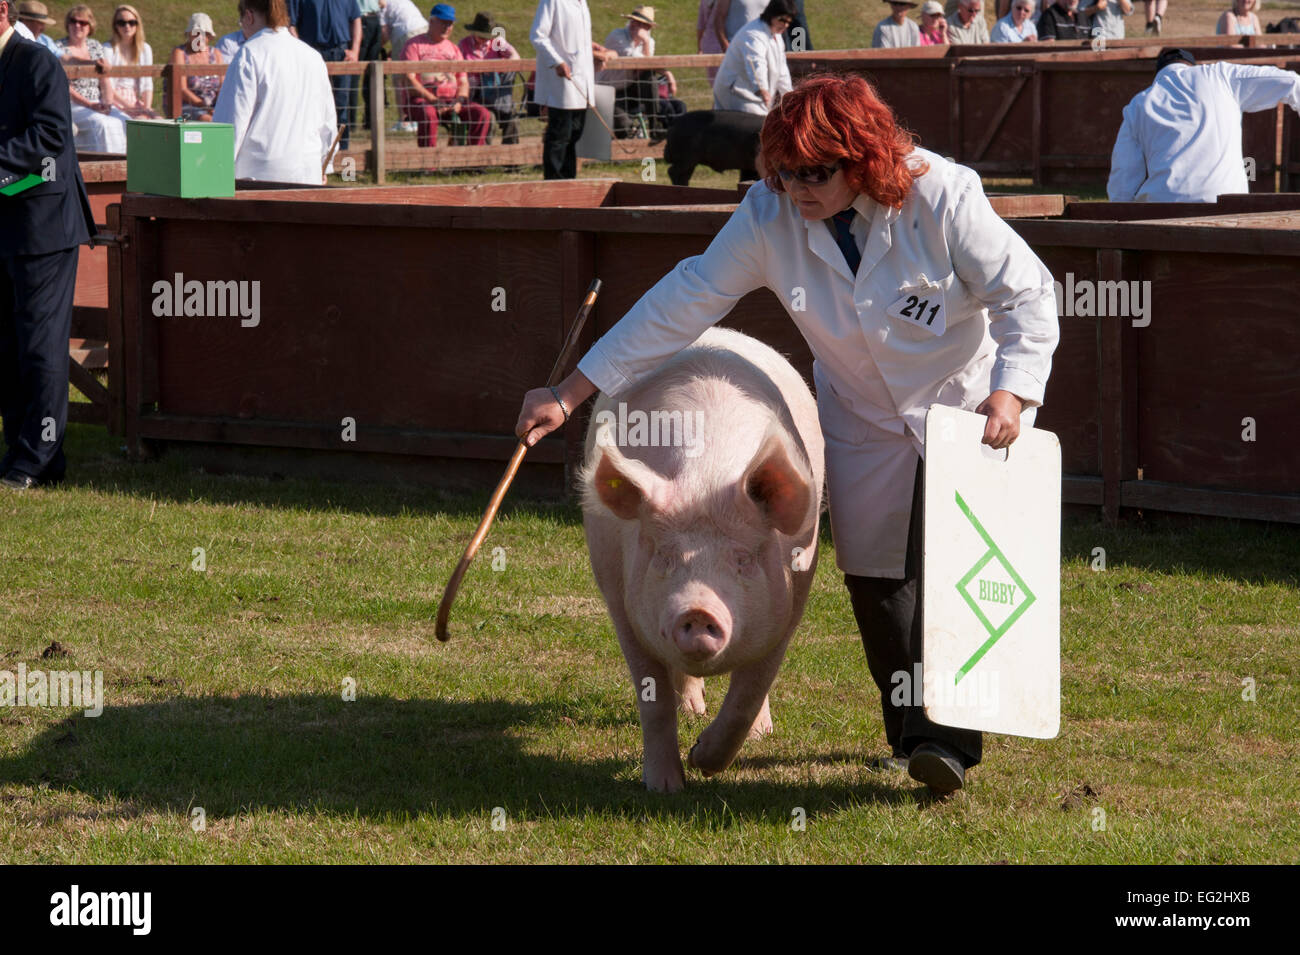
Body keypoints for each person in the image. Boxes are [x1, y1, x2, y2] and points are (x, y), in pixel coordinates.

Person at [514, 73, 1058, 795]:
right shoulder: (768, 214)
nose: (798, 188)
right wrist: (572, 390)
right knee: (877, 580)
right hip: (862, 417)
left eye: (816, 173)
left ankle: (944, 742)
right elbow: (685, 299)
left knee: (959, 568)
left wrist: (1012, 392)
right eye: (784, 172)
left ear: (862, 159)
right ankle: (911, 733)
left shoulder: (945, 197)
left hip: (966, 403)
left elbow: (1027, 291)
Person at [0, 0, 99, 490]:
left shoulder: (36, 60)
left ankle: (40, 460)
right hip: (5, 223)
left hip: (43, 226)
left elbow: (51, 137)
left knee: (40, 346)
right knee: (8, 344)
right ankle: (18, 450)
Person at [1108, 49, 1300, 202]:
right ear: (1191, 66)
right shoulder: (1218, 75)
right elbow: (1292, 82)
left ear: (1159, 74)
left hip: (1164, 213)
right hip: (1227, 211)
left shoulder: (1138, 104)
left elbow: (1122, 184)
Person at [212, 0, 338, 184]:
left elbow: (231, 122)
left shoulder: (249, 53)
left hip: (259, 176)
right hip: (308, 172)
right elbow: (328, 121)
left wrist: (216, 171)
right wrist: (324, 164)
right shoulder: (313, 56)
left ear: (249, 16)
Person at [530, 0, 613, 180]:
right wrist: (557, 61)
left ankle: (569, 181)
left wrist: (588, 44)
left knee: (575, 135)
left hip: (582, 80)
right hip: (561, 82)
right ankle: (553, 182)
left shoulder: (582, 3)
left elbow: (566, 36)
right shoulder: (553, 1)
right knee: (560, 136)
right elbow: (538, 35)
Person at [400, 3, 492, 148]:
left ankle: (475, 161)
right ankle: (428, 163)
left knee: (482, 114)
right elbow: (409, 80)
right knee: (428, 114)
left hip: (452, 101)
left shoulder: (454, 49)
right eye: (443, 23)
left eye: (450, 24)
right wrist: (434, 101)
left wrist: (459, 101)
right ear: (431, 21)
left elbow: (463, 81)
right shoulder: (413, 45)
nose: (447, 27)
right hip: (423, 100)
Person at [287, 0, 362, 150]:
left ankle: (342, 150)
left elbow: (356, 19)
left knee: (341, 103)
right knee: (312, 104)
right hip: (313, 51)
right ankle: (315, 151)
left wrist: (355, 50)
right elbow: (290, 25)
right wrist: (301, 51)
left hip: (341, 52)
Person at [58, 6, 131, 154]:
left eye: (83, 22)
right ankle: (104, 165)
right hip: (74, 103)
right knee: (102, 124)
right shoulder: (59, 48)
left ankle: (125, 166)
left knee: (125, 121)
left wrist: (108, 103)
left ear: (90, 26)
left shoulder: (95, 46)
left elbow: (104, 79)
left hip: (97, 101)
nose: (77, 25)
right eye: (73, 21)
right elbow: (65, 87)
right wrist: (90, 105)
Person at [599, 6, 678, 139]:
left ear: (648, 28)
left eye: (642, 24)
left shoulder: (649, 42)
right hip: (610, 92)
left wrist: (646, 42)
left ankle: (654, 125)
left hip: (631, 88)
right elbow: (635, 60)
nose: (635, 25)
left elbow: (646, 67)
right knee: (623, 126)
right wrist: (666, 73)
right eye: (634, 21)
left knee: (649, 78)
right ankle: (629, 137)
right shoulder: (616, 36)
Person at [712, 0, 795, 115]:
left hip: (754, 96)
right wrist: (762, 89)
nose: (785, 25)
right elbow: (756, 63)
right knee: (757, 127)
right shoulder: (753, 35)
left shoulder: (777, 37)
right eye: (782, 20)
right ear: (772, 15)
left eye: (788, 22)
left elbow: (782, 71)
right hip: (737, 94)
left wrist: (789, 96)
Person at [459, 12, 521, 145]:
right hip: (475, 95)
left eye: (488, 37)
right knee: (489, 119)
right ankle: (483, 159)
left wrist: (497, 68)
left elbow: (515, 57)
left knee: (512, 119)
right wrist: (480, 69)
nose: (486, 40)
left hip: (497, 94)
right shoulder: (463, 45)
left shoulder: (497, 42)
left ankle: (511, 162)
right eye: (482, 36)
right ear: (474, 32)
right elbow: (459, 71)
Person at [169, 14, 225, 122]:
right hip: (187, 107)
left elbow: (222, 86)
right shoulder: (179, 53)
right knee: (208, 120)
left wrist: (219, 107)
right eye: (196, 34)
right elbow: (182, 89)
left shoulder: (216, 53)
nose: (200, 38)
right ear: (189, 34)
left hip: (213, 106)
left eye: (205, 34)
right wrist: (204, 107)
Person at [105, 5, 157, 118]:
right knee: (132, 122)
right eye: (121, 23)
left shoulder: (145, 49)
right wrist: (130, 107)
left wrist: (146, 109)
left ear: (137, 25)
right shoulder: (108, 49)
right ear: (115, 26)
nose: (127, 26)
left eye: (131, 22)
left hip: (135, 100)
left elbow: (147, 83)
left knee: (159, 121)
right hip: (114, 99)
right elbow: (107, 85)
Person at [697, 0, 723, 81]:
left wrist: (700, 48)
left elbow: (700, 26)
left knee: (715, 81)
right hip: (725, 42)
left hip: (709, 44)